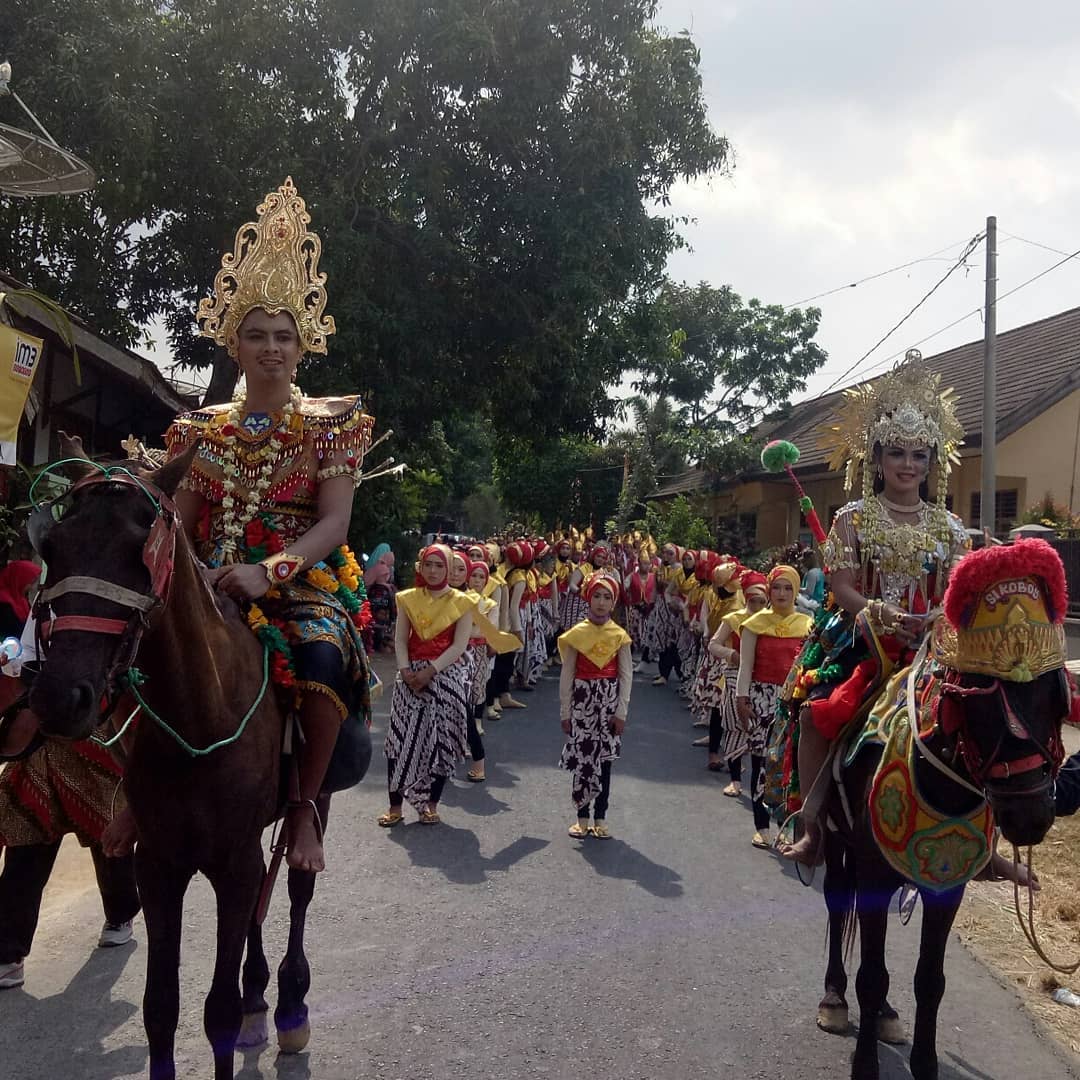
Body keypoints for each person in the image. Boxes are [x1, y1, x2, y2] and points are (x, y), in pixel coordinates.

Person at [165, 177, 374, 873]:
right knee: (133, 654)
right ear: (235, 345)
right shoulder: (200, 431)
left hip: (298, 581)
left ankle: (305, 804)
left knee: (321, 656)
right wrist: (197, 574)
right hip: (206, 581)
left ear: (302, 344)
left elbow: (334, 523)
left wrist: (268, 571)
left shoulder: (329, 426)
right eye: (256, 335)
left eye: (284, 336)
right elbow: (176, 519)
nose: (271, 348)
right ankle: (130, 793)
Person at [775, 356, 968, 865]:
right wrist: (880, 613)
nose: (908, 465)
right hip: (865, 640)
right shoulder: (852, 519)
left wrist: (938, 618)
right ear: (877, 458)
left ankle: (981, 836)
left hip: (933, 648)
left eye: (919, 455)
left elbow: (956, 592)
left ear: (932, 461)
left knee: (987, 716)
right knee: (817, 713)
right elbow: (841, 588)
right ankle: (813, 827)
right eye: (897, 453)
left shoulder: (951, 528)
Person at [0, 568, 140, 990]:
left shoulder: (108, 595)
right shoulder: (44, 598)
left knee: (106, 830)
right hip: (41, 731)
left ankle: (121, 913)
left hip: (91, 729)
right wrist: (14, 662)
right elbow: (25, 652)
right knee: (25, 836)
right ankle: (7, 951)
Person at [381, 544, 474, 825]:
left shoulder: (462, 602)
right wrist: (405, 670)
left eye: (439, 565)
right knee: (398, 739)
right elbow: (400, 639)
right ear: (420, 567)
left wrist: (431, 671)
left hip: (444, 676)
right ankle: (395, 807)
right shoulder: (408, 598)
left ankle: (431, 805)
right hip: (409, 677)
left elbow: (459, 646)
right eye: (428, 565)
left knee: (443, 740)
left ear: (449, 569)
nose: (433, 571)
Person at [734, 566, 812, 850]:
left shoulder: (807, 625)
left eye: (788, 588)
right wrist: (742, 699)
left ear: (796, 591)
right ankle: (762, 826)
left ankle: (786, 826)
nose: (781, 593)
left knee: (789, 764)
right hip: (760, 700)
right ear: (769, 590)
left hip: (792, 701)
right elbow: (745, 666)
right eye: (776, 587)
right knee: (761, 763)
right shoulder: (755, 624)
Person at [557, 573, 633, 839]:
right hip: (582, 704)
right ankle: (582, 817)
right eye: (597, 596)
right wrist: (565, 712)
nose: (601, 602)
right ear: (588, 598)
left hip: (608, 707)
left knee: (605, 762)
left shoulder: (619, 635)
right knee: (583, 760)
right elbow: (567, 674)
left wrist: (621, 713)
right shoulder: (577, 634)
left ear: (614, 602)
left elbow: (626, 676)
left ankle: (601, 817)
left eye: (607, 597)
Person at [706, 570, 769, 776]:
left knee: (757, 724)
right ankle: (720, 760)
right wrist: (731, 654)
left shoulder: (772, 622)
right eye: (753, 601)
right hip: (733, 675)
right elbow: (713, 645)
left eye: (762, 601)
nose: (757, 606)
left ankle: (745, 764)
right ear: (746, 599)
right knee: (725, 718)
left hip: (761, 680)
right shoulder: (734, 619)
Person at [797, 549, 825, 615]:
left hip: (811, 606)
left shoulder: (812, 573)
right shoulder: (819, 571)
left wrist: (796, 589)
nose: (803, 563)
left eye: (804, 561)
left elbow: (809, 591)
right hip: (818, 605)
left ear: (810, 560)